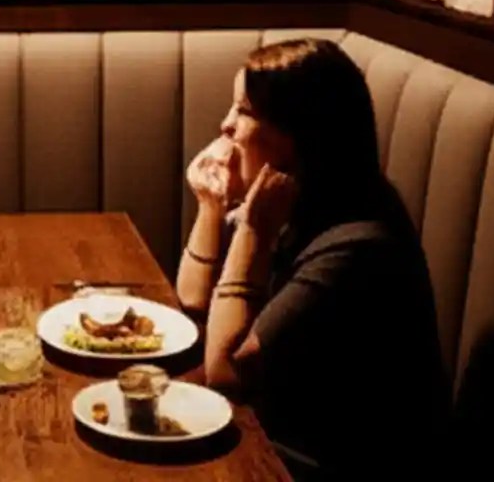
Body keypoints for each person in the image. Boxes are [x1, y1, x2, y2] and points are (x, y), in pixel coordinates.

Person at [176, 38, 450, 480]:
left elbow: (225, 372)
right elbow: (192, 300)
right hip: (276, 445)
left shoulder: (357, 245)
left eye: (244, 111)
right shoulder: (301, 204)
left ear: (296, 138)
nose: (225, 125)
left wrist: (253, 233)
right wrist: (211, 206)